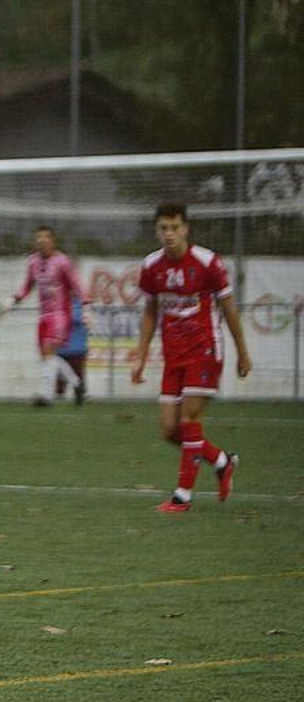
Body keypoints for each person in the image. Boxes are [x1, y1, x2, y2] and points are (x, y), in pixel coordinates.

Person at [131, 202, 251, 513]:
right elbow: (149, 312)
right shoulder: (151, 266)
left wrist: (243, 352)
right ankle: (221, 461)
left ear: (186, 228)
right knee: (170, 430)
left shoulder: (208, 262)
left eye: (174, 227)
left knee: (189, 419)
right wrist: (141, 356)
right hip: (173, 355)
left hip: (204, 350)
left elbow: (228, 309)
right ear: (157, 231)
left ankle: (182, 497)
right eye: (163, 229)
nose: (168, 234)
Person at [3, 226, 86, 406]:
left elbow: (77, 284)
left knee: (49, 351)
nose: (42, 240)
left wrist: (87, 307)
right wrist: (12, 301)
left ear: (53, 240)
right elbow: (27, 286)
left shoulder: (63, 261)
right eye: (38, 237)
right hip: (44, 316)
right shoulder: (33, 262)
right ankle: (77, 384)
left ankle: (46, 396)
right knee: (47, 357)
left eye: (46, 237)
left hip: (61, 314)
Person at [53, 293, 91, 405]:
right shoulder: (58, 304)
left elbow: (84, 321)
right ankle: (59, 398)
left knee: (79, 377)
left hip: (77, 349)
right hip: (62, 349)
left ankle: (81, 396)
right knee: (60, 380)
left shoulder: (82, 306)